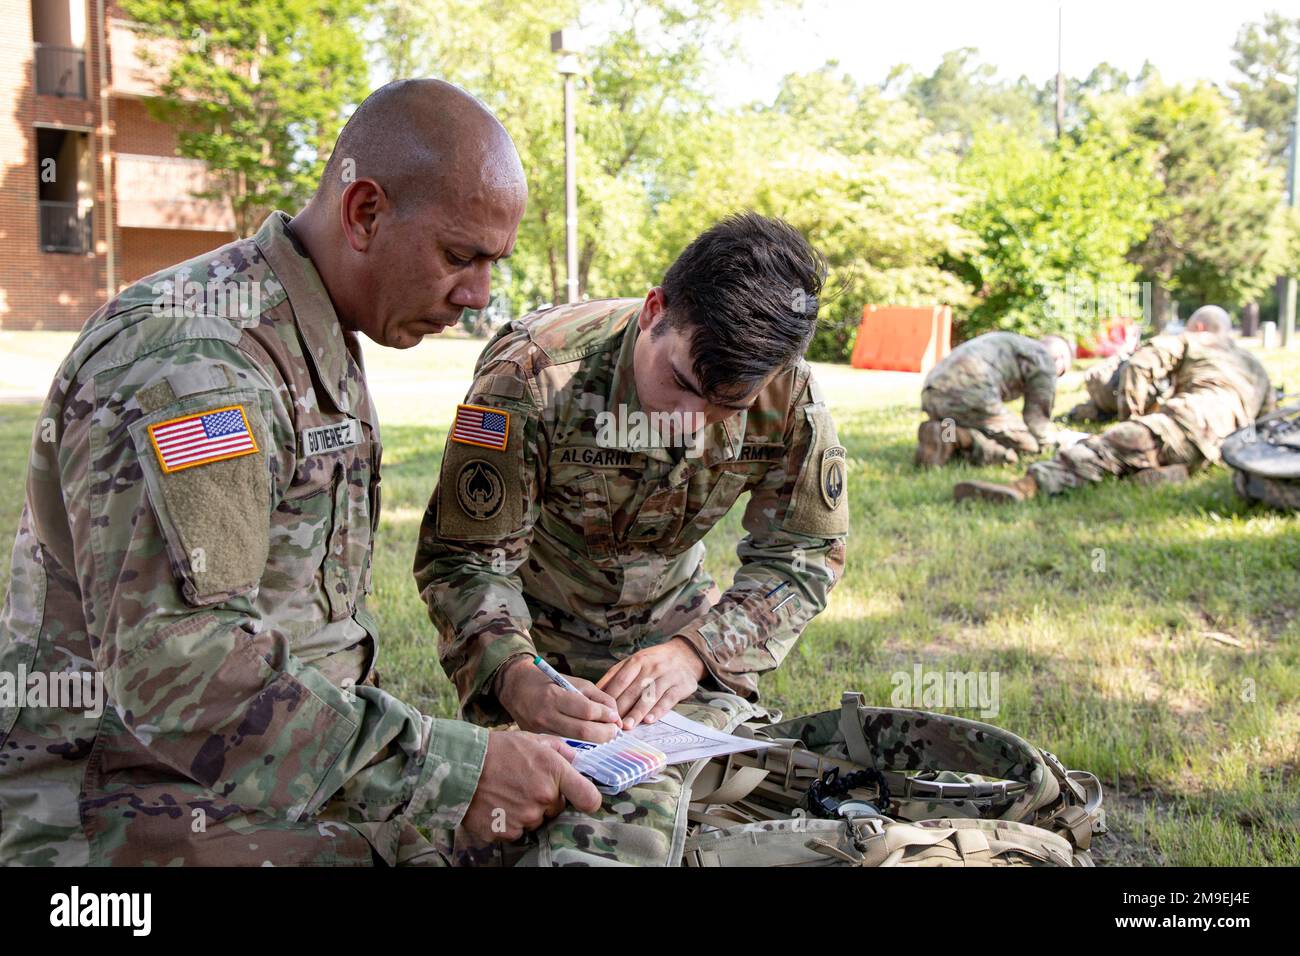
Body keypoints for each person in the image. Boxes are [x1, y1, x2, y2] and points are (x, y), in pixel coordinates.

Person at [0, 79, 600, 867]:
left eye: (493, 263)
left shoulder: (309, 322)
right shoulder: (196, 365)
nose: (478, 297)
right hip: (129, 816)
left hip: (265, 781)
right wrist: (452, 770)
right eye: (460, 257)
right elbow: (184, 668)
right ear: (364, 213)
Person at [414, 213, 848, 864]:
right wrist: (512, 674)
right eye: (678, 384)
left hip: (678, 646)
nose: (688, 427)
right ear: (653, 313)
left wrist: (696, 652)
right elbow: (465, 558)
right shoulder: (533, 373)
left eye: (724, 410)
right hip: (540, 645)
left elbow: (803, 553)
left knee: (688, 815)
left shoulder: (787, 392)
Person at [954, 306, 1273, 504]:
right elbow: (1267, 430)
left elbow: (1140, 365)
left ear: (1199, 327)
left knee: (1107, 448)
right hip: (1211, 449)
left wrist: (1130, 419)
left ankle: (1028, 487)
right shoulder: (1258, 369)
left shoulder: (1195, 340)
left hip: (1184, 420)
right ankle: (1167, 472)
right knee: (1133, 456)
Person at [915, 331, 1074, 467]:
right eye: (1061, 373)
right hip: (969, 392)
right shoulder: (1044, 359)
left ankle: (943, 434)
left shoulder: (1015, 343)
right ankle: (959, 438)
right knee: (1027, 444)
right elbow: (1037, 422)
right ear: (1059, 359)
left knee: (972, 420)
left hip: (932, 390)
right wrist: (1053, 445)